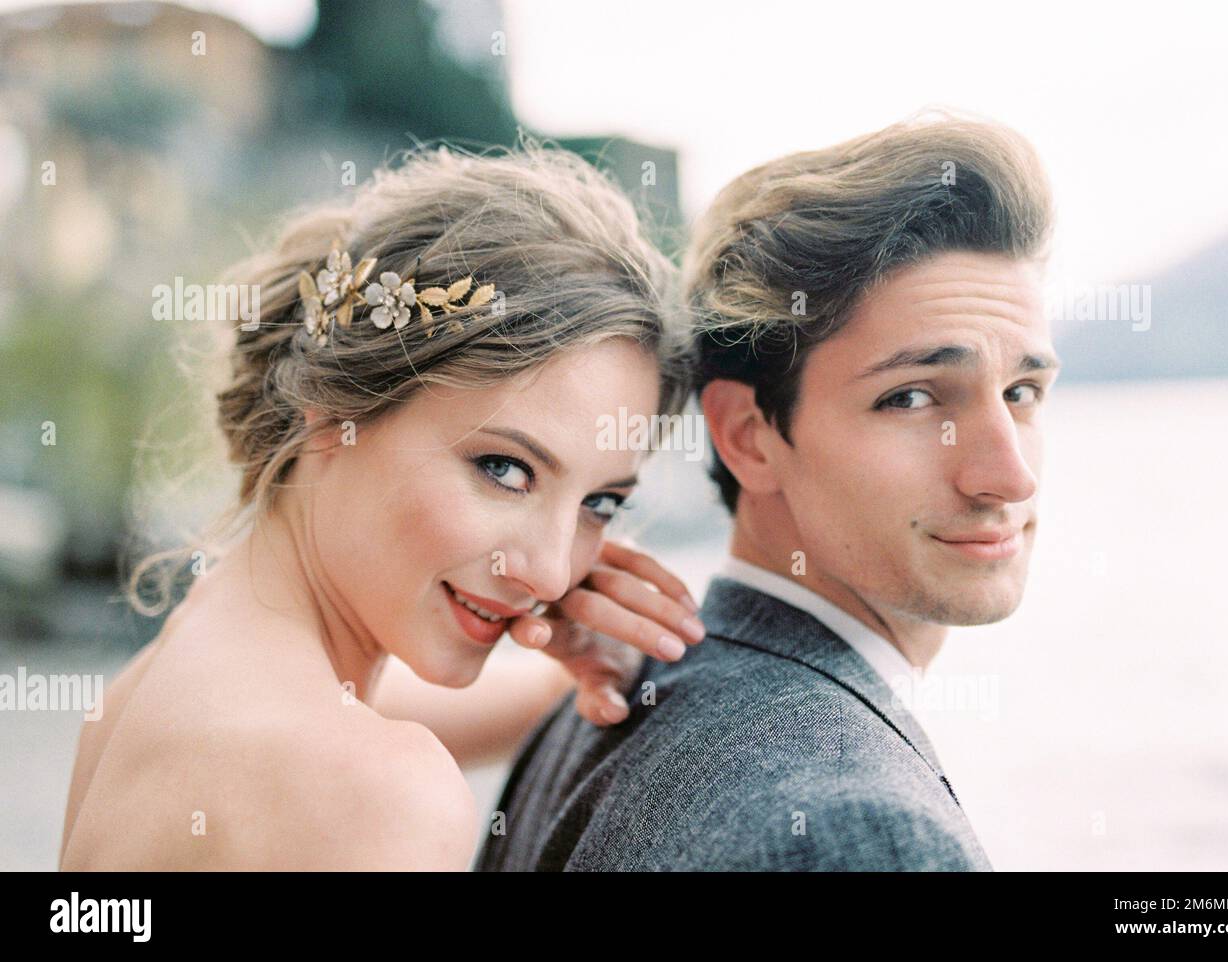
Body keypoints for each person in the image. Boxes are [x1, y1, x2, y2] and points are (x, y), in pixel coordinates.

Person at [58, 144, 703, 870]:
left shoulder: (152, 691)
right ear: (334, 405)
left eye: (600, 503)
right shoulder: (377, 793)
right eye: (504, 468)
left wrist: (570, 668)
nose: (552, 576)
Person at [476, 113, 1060, 871]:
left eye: (1022, 391)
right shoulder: (859, 832)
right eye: (913, 398)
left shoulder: (597, 712)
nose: (1009, 475)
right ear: (747, 434)